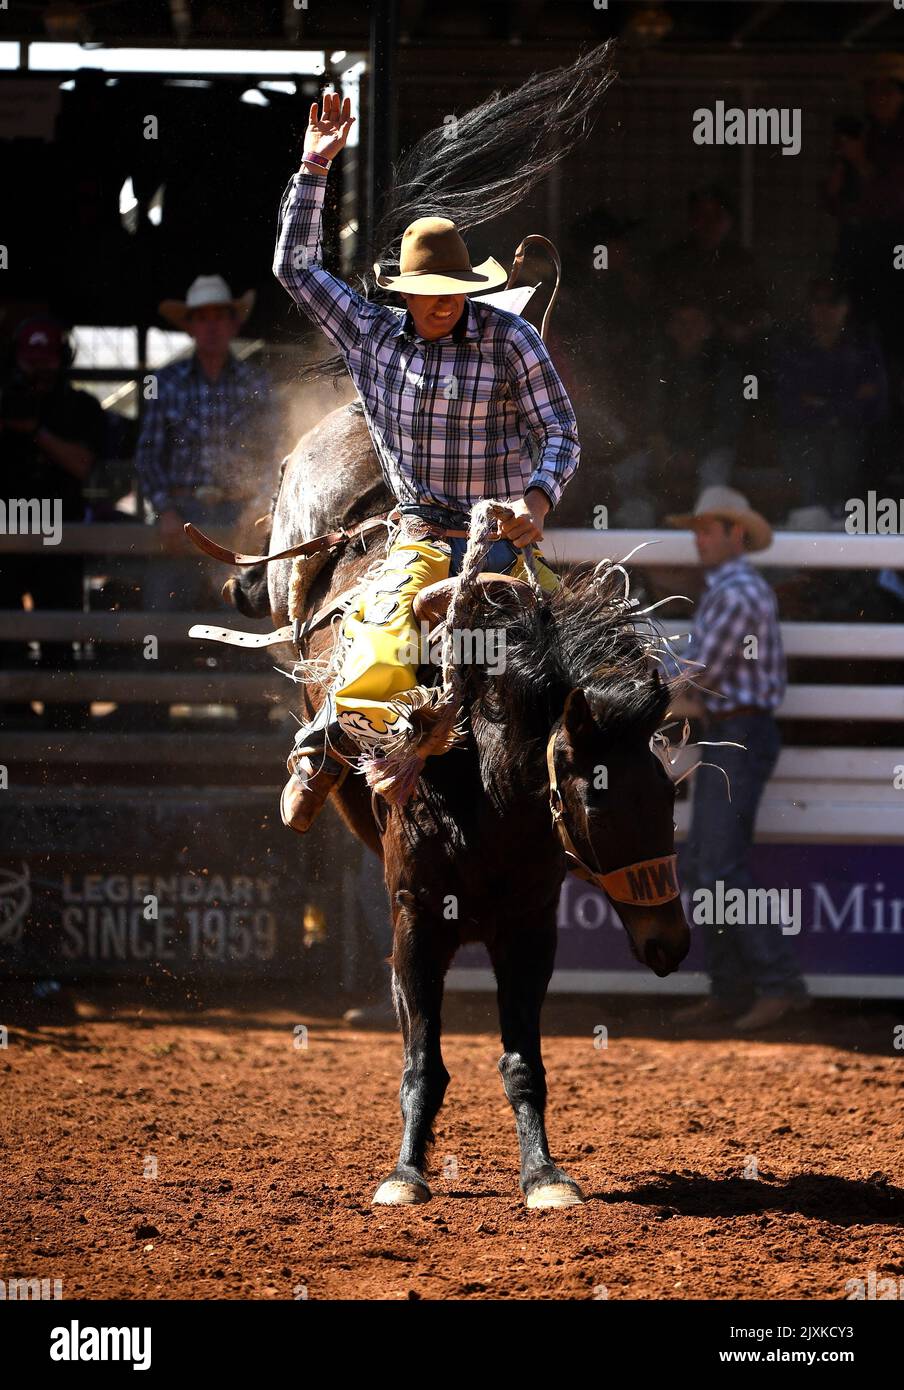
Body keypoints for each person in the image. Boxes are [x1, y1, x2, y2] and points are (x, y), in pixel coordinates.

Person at [272, 93, 580, 832]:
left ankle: (593, 800)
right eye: (425, 293)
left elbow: (559, 430)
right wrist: (315, 166)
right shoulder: (372, 336)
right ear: (404, 290)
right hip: (415, 535)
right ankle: (324, 747)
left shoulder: (510, 341)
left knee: (577, 666)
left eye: (449, 293)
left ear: (468, 287)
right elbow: (294, 266)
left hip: (499, 537)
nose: (439, 305)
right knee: (377, 653)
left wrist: (536, 504)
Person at [667, 487, 808, 1032]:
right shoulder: (735, 589)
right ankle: (736, 989)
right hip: (735, 733)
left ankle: (777, 984)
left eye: (709, 530)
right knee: (710, 868)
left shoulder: (736, 593)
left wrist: (645, 690)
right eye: (698, 530)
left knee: (717, 868)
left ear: (736, 535)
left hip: (738, 733)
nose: (699, 539)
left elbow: (697, 670)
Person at [135, 274, 283, 615]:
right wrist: (164, 510)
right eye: (202, 318)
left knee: (241, 617)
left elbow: (274, 450)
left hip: (239, 514)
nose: (211, 326)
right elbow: (147, 456)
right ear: (190, 327)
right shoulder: (165, 383)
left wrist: (259, 506)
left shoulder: (256, 383)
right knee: (165, 613)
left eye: (219, 316)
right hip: (181, 513)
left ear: (234, 323)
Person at [0, 315, 105, 729]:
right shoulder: (4, 399)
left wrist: (35, 429)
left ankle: (65, 732)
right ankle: (12, 721)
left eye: (46, 361)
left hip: (60, 534)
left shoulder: (79, 406)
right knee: (6, 634)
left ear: (61, 360)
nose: (39, 371)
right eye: (31, 362)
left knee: (60, 634)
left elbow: (82, 464)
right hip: (7, 535)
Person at [772, 277, 887, 513]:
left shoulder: (864, 347)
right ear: (809, 307)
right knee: (809, 454)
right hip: (802, 434)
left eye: (833, 302)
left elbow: (875, 403)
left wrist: (823, 404)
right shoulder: (792, 346)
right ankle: (814, 517)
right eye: (818, 302)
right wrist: (844, 401)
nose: (825, 309)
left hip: (851, 434)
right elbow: (787, 402)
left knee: (846, 447)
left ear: (845, 307)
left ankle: (839, 519)